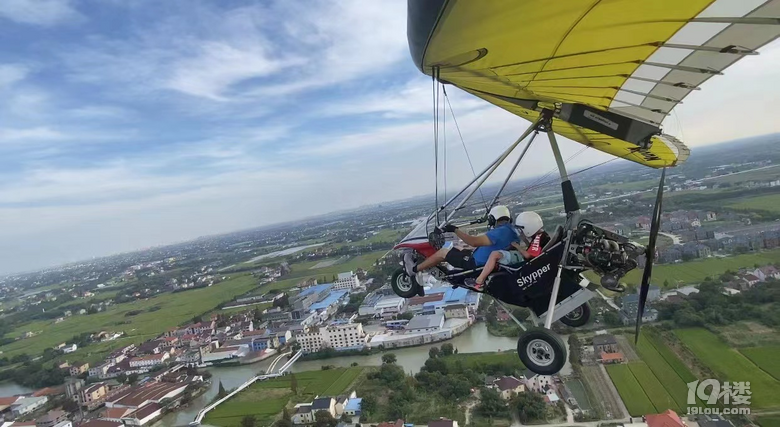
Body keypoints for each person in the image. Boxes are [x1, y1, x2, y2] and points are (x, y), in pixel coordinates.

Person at [404, 205, 519, 278]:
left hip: (477, 264)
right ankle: (432, 262)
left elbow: (473, 242)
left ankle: (414, 269)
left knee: (444, 252)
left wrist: (455, 230)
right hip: (485, 262)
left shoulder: (501, 232)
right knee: (458, 249)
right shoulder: (511, 231)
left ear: (493, 219)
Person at [473, 211, 549, 290]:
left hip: (525, 262)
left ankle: (479, 281)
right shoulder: (541, 235)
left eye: (521, 229)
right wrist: (523, 240)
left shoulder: (538, 238)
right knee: (501, 255)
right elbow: (532, 250)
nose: (521, 231)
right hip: (528, 260)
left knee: (495, 254)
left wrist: (517, 246)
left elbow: (528, 256)